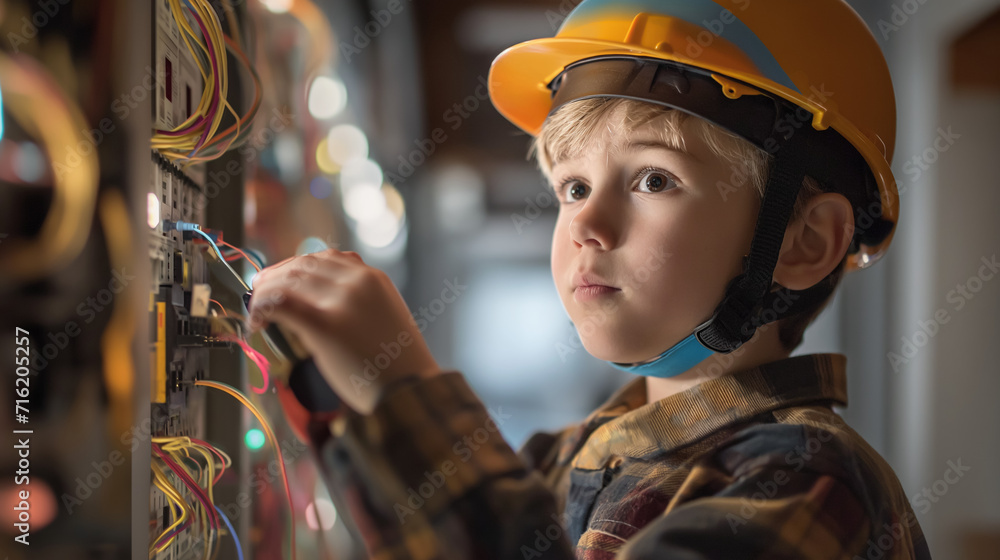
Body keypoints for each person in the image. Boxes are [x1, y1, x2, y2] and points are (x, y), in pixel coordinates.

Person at [248, 0, 932, 557]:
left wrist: (404, 392)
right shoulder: (564, 461)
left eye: (654, 179)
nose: (587, 224)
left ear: (804, 242)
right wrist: (335, 390)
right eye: (573, 187)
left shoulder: (812, 480)